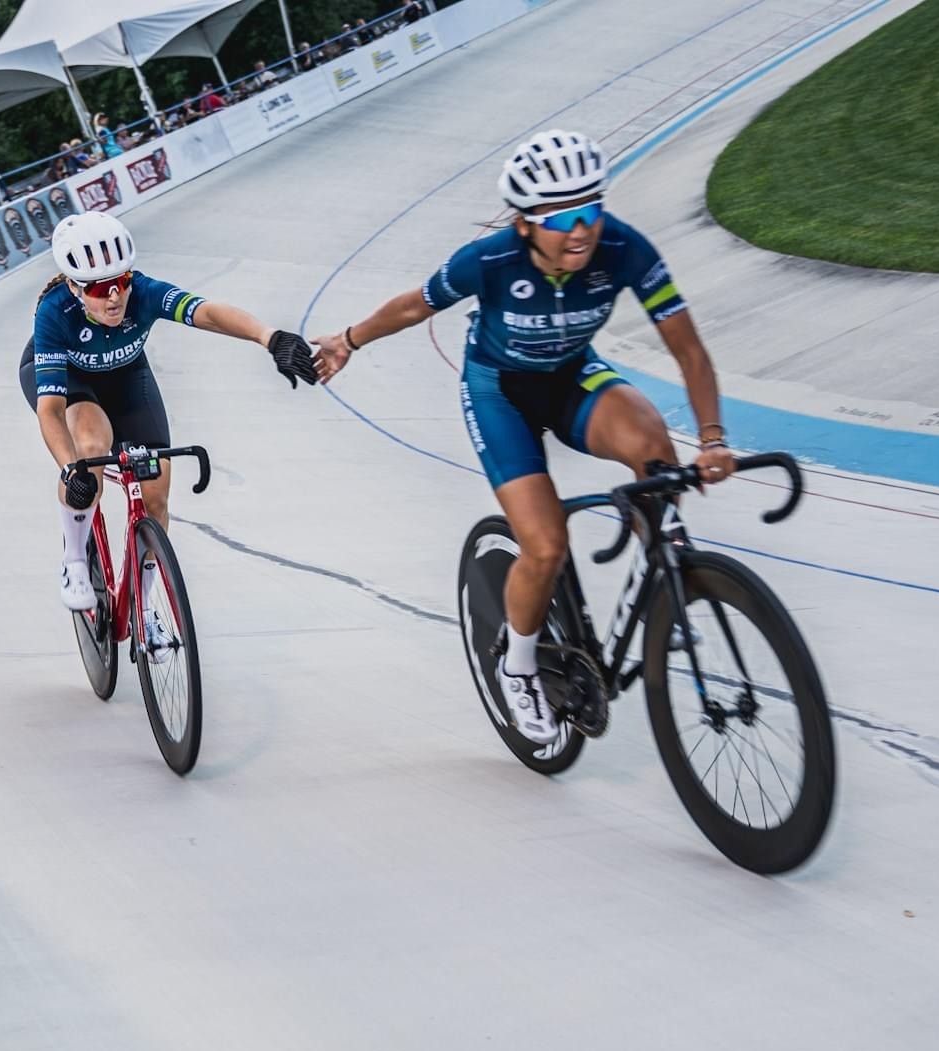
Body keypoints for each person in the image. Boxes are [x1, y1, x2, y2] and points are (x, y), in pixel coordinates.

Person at [311, 130, 730, 743]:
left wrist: (714, 438)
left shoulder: (625, 248)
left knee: (654, 449)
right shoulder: (489, 260)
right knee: (545, 544)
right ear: (527, 223)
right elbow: (412, 308)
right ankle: (519, 665)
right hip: (500, 392)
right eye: (563, 218)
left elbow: (689, 350)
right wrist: (348, 340)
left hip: (572, 377)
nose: (582, 230)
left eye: (591, 210)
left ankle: (664, 580)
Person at [20, 211, 320, 622]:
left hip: (125, 377)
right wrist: (72, 471)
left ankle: (144, 611)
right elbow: (51, 410)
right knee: (91, 447)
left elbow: (208, 312)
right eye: (100, 288)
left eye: (121, 281)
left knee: (156, 497)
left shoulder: (143, 293)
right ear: (74, 287)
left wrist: (270, 337)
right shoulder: (55, 313)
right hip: (73, 383)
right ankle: (73, 560)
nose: (114, 296)